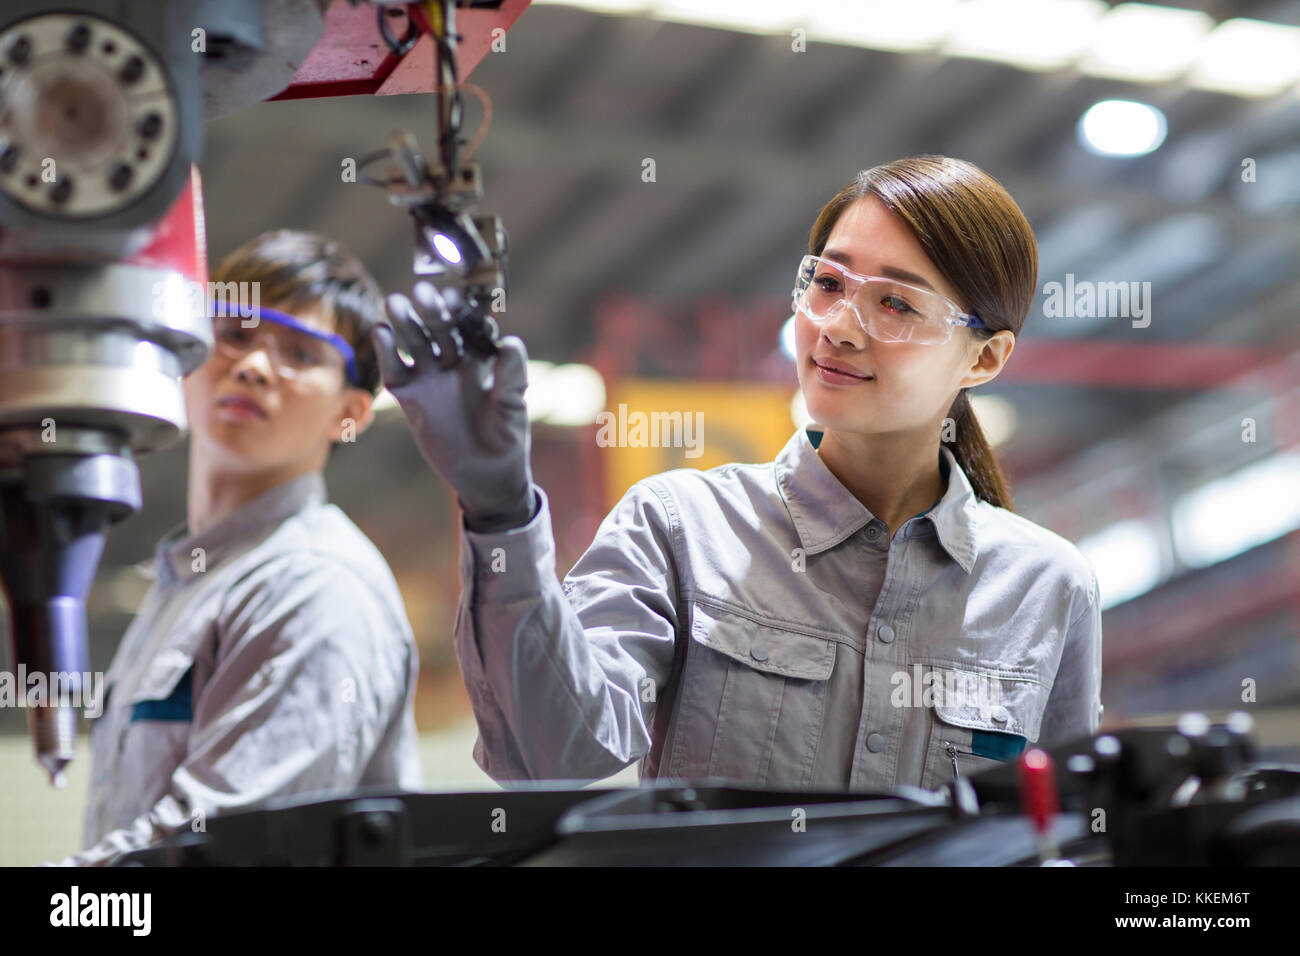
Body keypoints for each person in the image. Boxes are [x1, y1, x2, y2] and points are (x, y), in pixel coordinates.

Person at [375, 155, 1102, 793]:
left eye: (895, 303)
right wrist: (499, 506)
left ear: (984, 358)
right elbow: (549, 758)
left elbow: (1064, 832)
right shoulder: (680, 528)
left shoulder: (1047, 587)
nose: (839, 326)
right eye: (827, 283)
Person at [65, 230, 422, 865]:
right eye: (235, 333)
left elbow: (216, 851)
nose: (254, 365)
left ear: (353, 412)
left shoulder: (315, 587)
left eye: (301, 353)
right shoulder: (186, 584)